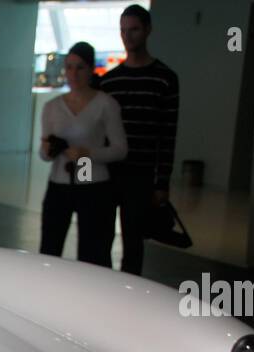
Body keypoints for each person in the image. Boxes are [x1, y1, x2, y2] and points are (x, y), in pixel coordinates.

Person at [100, 4, 179, 275]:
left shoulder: (165, 79)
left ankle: (128, 296)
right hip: (108, 172)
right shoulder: (109, 81)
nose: (127, 36)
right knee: (101, 239)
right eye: (123, 30)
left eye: (133, 29)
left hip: (140, 174)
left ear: (147, 30)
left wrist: (162, 183)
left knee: (133, 242)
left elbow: (167, 133)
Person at [38, 42, 128, 267]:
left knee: (93, 249)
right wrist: (48, 150)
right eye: (69, 67)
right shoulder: (52, 107)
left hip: (91, 179)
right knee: (50, 245)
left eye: (79, 67)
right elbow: (44, 152)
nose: (73, 74)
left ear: (90, 69)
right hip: (60, 181)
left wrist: (88, 153)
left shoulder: (105, 104)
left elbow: (120, 149)